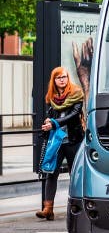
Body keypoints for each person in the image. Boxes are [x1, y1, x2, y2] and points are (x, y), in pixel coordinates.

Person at [36, 67, 85, 220]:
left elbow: (74, 115)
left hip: (73, 140)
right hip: (57, 141)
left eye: (64, 77)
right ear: (54, 80)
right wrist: (48, 121)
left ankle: (78, 207)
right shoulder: (51, 97)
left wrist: (54, 123)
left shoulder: (76, 93)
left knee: (75, 174)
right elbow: (51, 115)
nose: (62, 80)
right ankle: (48, 209)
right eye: (58, 78)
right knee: (51, 173)